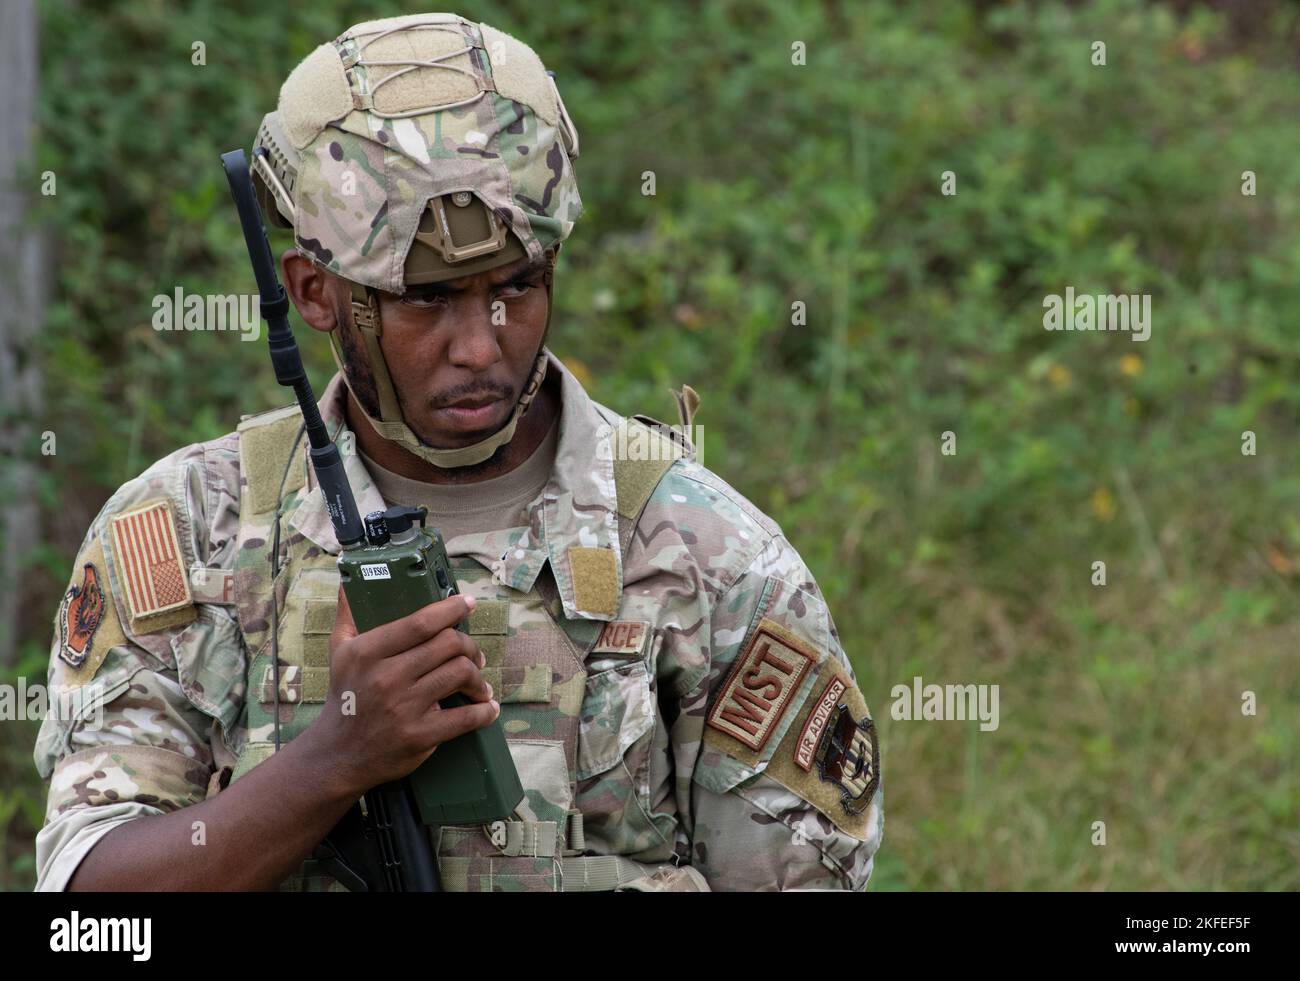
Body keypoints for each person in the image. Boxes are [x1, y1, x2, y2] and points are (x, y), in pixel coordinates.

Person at [33, 11, 883, 892]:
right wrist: (331, 762)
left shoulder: (705, 552)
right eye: (429, 302)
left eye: (516, 285)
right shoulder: (186, 535)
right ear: (315, 293)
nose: (482, 345)